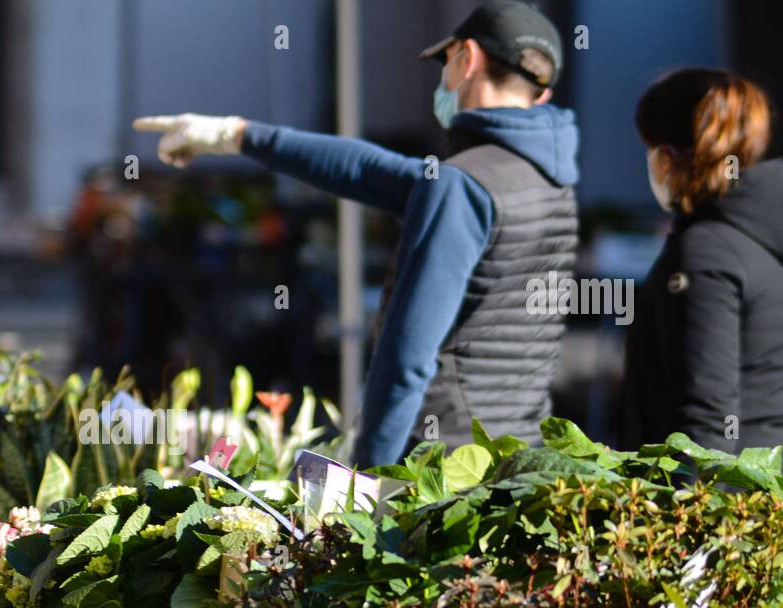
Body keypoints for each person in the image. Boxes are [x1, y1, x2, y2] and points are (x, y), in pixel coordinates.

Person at [134, 0, 579, 468]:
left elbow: (406, 357)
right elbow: (370, 171)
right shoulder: (548, 180)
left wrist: (368, 475)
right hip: (515, 455)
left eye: (446, 62)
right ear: (541, 93)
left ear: (467, 58)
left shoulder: (459, 183)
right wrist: (236, 134)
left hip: (441, 467)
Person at [619, 69, 781, 454]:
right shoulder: (759, 228)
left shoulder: (706, 252)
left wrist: (686, 508)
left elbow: (705, 419)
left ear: (668, 156)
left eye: (651, 148)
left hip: (727, 500)